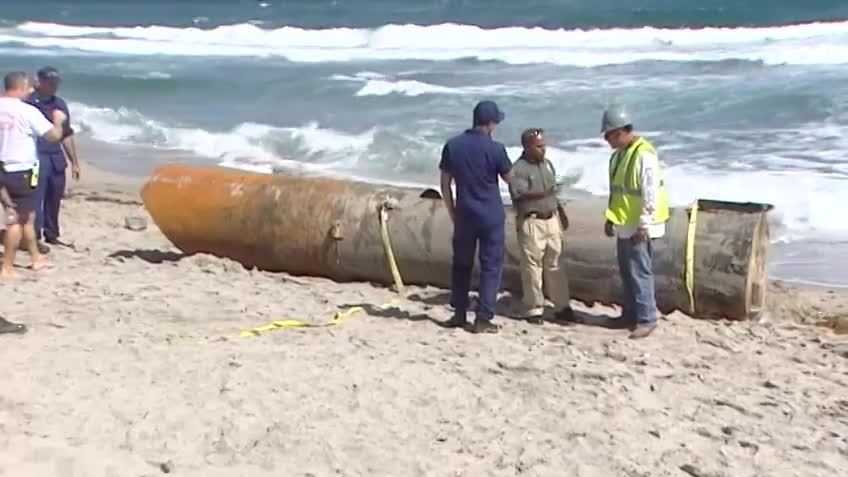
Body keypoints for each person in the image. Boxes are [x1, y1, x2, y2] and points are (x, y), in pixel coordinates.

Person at [439, 100, 512, 334]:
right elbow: (512, 181)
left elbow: (444, 183)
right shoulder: (496, 149)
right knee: (491, 266)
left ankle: (459, 313)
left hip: (465, 213)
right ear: (490, 124)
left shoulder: (453, 145)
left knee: (461, 265)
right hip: (490, 215)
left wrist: (452, 210)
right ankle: (483, 318)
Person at [601, 103, 670, 339]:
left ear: (620, 131)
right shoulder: (619, 156)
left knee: (640, 271)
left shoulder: (644, 155)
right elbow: (618, 191)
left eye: (609, 135)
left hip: (640, 225)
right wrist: (610, 218)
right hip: (623, 223)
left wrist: (644, 223)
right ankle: (629, 314)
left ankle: (647, 318)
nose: (607, 141)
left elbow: (649, 191)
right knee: (627, 271)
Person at [0, 71, 67, 279]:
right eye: (29, 87)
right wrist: (58, 121)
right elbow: (53, 136)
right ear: (20, 87)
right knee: (17, 219)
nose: (31, 91)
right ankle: (7, 267)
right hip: (19, 170)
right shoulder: (26, 111)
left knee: (28, 217)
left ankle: (35, 258)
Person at [508, 128, 573, 324]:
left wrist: (561, 212)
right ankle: (534, 308)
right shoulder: (518, 169)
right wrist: (545, 193)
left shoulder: (547, 165)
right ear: (527, 147)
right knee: (532, 267)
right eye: (538, 146)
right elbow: (518, 194)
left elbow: (554, 193)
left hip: (551, 219)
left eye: (544, 145)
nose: (543, 149)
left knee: (556, 264)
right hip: (531, 220)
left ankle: (562, 306)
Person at [27, 66, 79, 250]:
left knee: (54, 197)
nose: (54, 86)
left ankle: (52, 234)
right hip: (34, 158)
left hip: (55, 157)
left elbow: (66, 134)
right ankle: (34, 237)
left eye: (56, 83)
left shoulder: (60, 104)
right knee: (35, 198)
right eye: (50, 82)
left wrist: (75, 162)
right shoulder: (28, 103)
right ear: (39, 82)